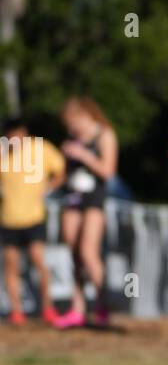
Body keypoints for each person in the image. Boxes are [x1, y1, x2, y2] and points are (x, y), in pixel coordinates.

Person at [55, 96, 118, 329]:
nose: (72, 128)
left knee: (88, 252)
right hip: (72, 198)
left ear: (86, 115)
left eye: (74, 122)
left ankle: (102, 305)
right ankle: (77, 308)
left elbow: (108, 171)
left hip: (94, 199)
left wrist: (83, 156)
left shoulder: (105, 134)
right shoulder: (73, 138)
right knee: (74, 254)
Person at [0, 117, 65, 325]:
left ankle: (48, 307)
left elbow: (60, 170)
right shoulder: (2, 153)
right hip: (9, 219)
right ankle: (17, 312)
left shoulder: (41, 148)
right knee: (11, 266)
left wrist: (49, 189)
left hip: (34, 217)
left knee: (39, 261)